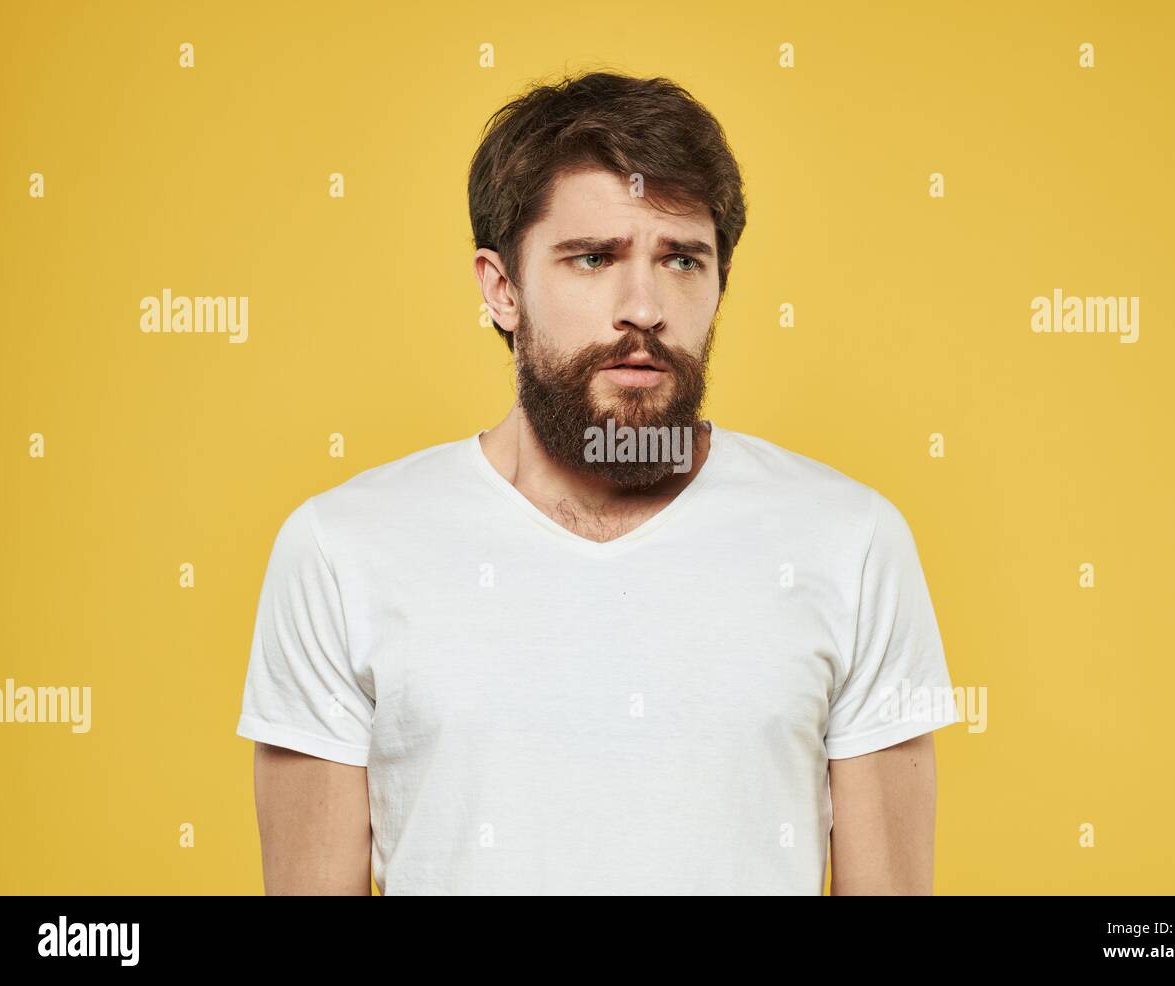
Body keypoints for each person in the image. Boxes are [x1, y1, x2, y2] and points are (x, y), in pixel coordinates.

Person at [235, 70, 959, 895]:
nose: (643, 307)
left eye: (682, 259)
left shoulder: (850, 542)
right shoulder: (342, 550)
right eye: (593, 258)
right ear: (501, 288)